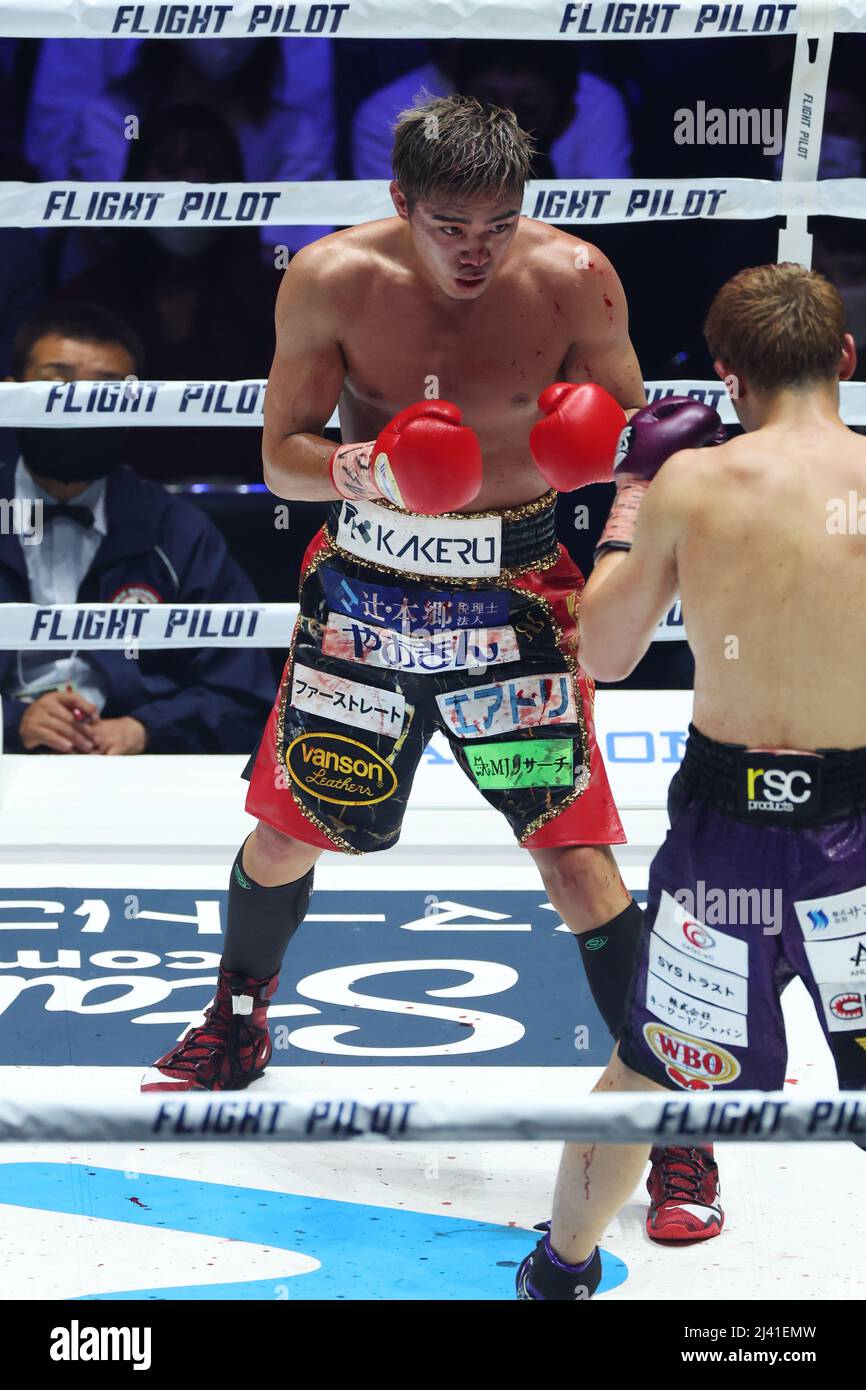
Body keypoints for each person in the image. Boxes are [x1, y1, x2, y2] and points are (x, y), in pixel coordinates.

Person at [141, 92, 724, 1242]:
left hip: (515, 590)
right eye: (450, 223)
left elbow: (641, 432)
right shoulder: (328, 280)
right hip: (364, 583)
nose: (474, 249)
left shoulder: (574, 281)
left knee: (573, 858)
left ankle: (672, 1116)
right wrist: (371, 467)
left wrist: (603, 445)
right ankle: (239, 1014)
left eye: (497, 223)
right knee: (286, 829)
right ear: (400, 201)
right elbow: (280, 457)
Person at [515, 262, 866, 1299]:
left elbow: (603, 654)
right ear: (843, 360)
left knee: (655, 1067)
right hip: (856, 827)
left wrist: (628, 494)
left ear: (725, 379)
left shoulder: (693, 484)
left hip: (726, 833)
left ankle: (559, 1270)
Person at [0, 303, 273, 755]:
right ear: (10, 394)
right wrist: (12, 720)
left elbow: (243, 693)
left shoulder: (177, 532)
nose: (80, 410)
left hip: (136, 769)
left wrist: (145, 729)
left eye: (105, 392)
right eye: (57, 385)